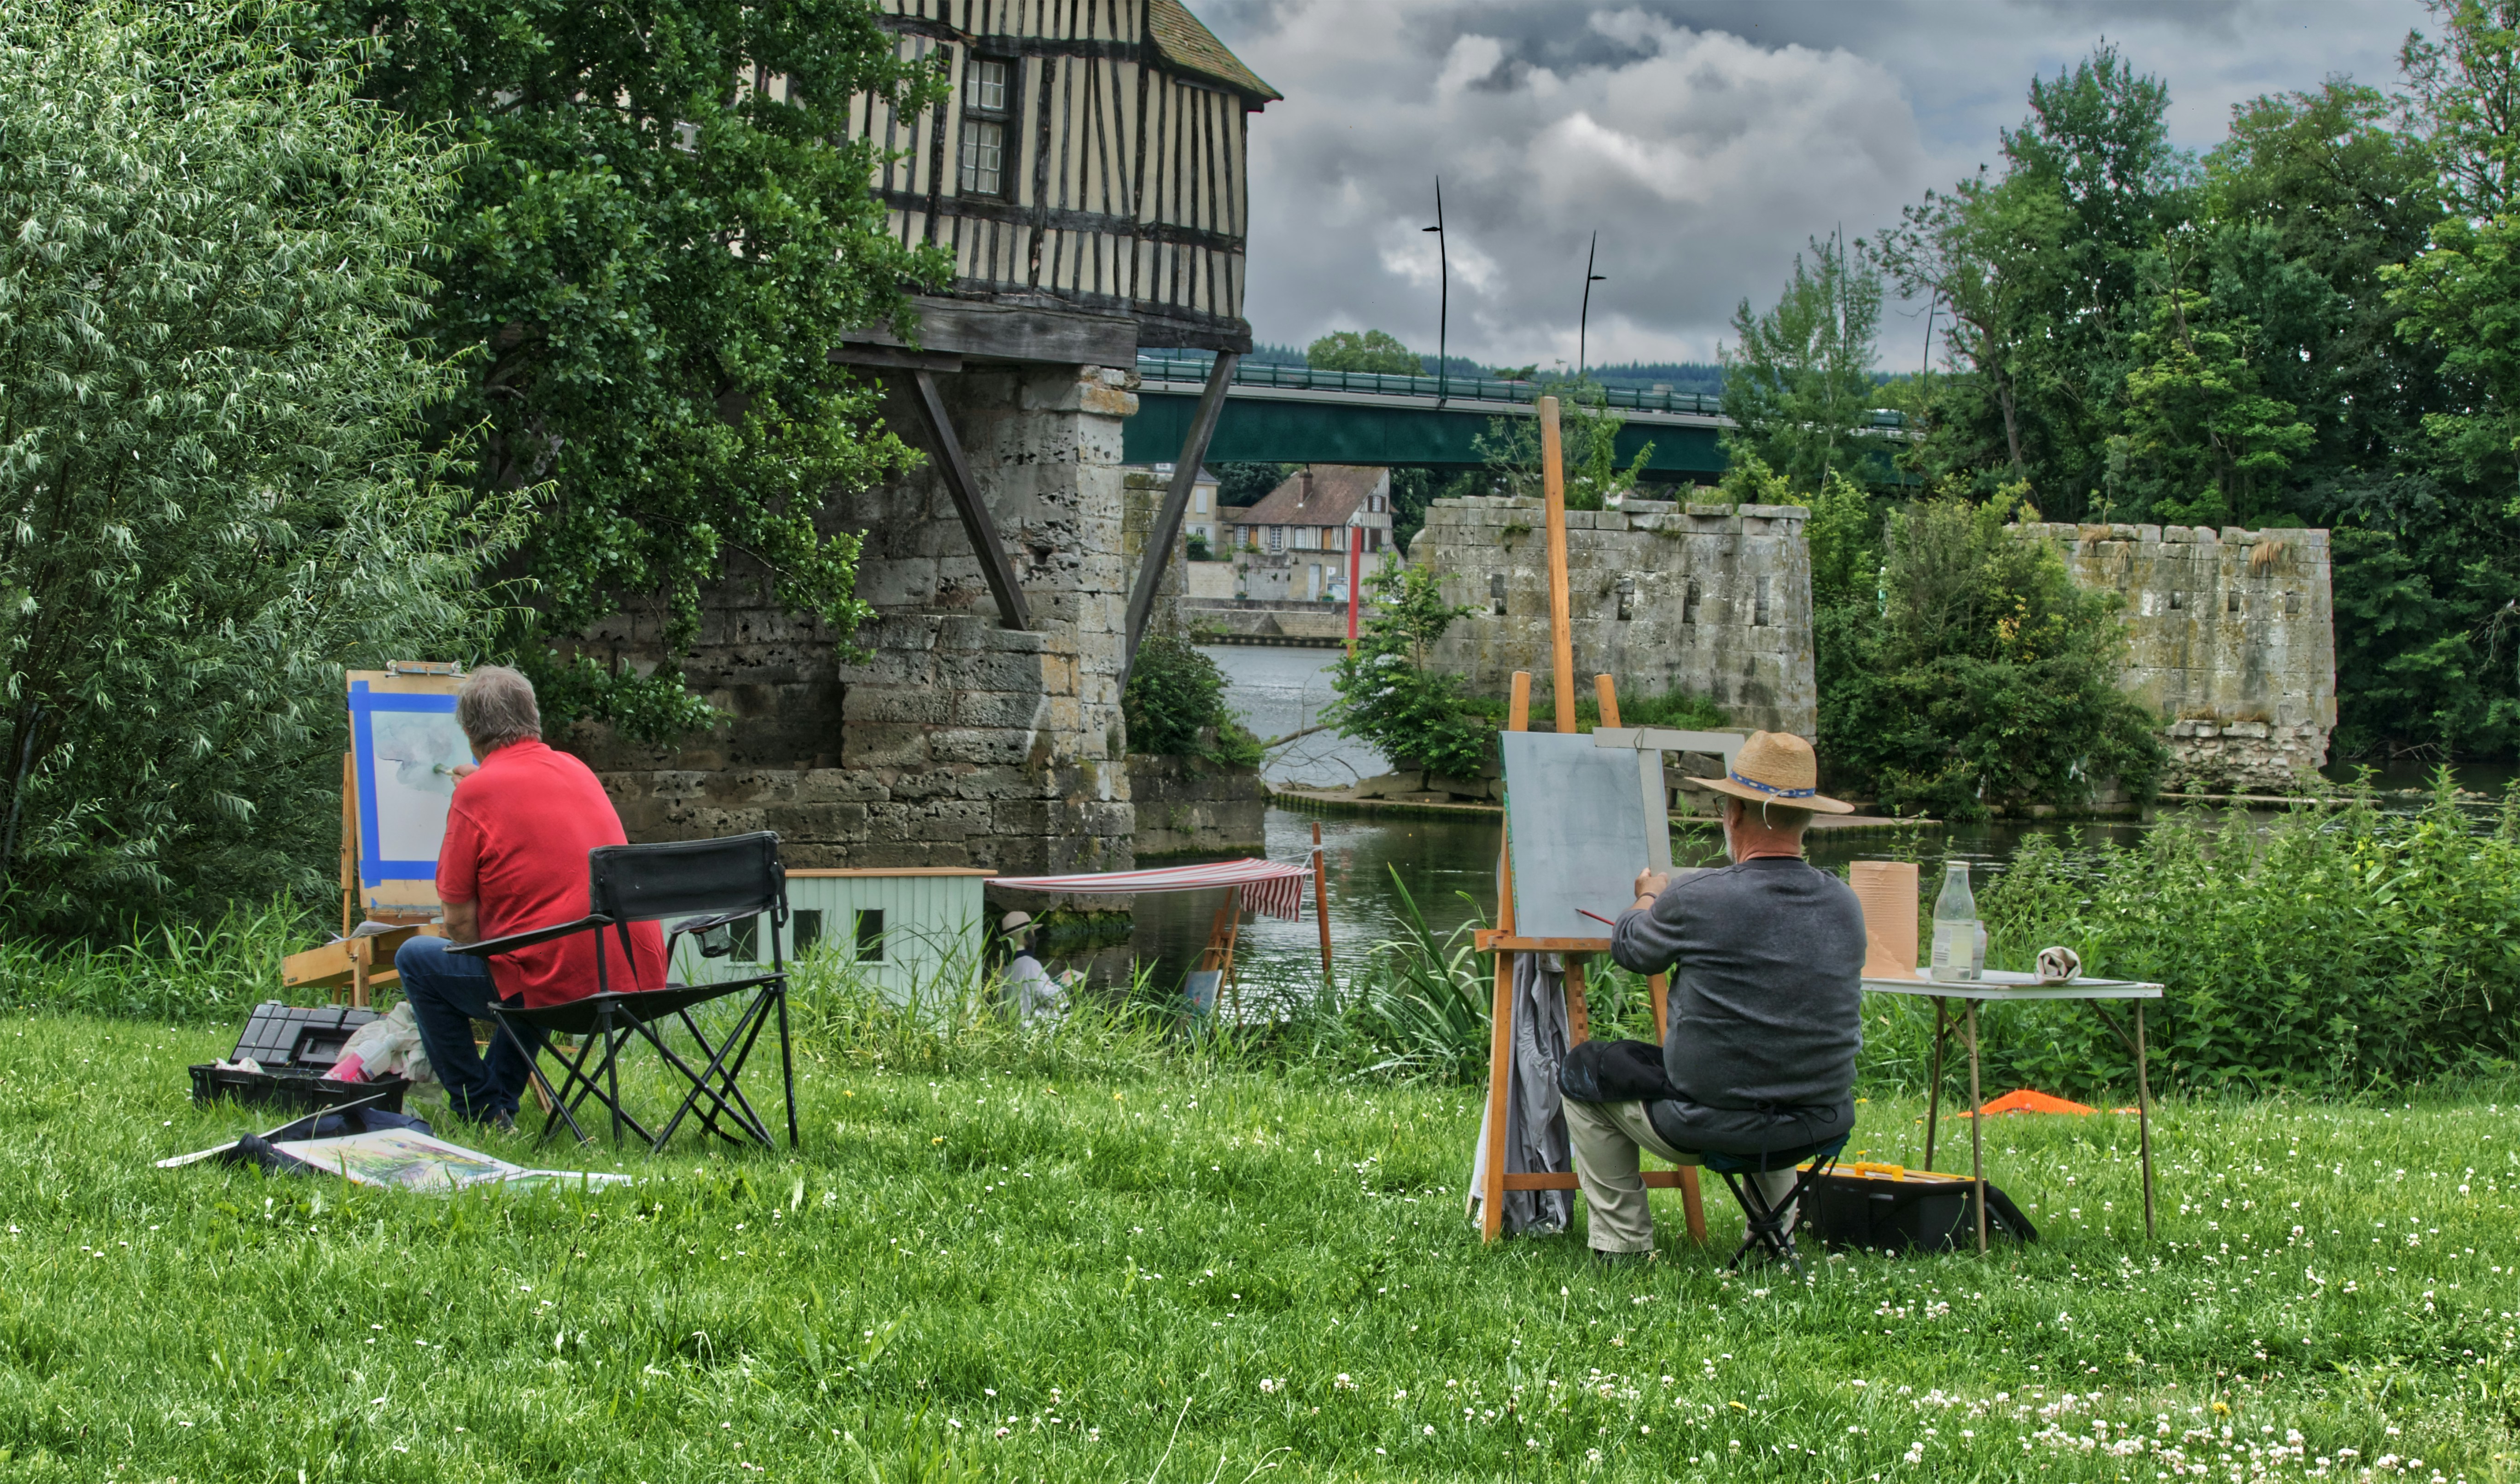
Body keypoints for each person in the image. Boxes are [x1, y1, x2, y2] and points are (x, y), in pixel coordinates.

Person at [1561, 730, 1866, 1262]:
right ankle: (1773, 1242)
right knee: (1773, 1066)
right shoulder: (1845, 902)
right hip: (1819, 1122)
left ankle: (1621, 1244)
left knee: (1583, 1071)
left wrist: (1647, 896)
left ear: (1734, 812)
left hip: (1708, 1122)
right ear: (1807, 819)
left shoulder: (1698, 896)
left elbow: (1632, 948)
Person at [394, 666, 666, 1129]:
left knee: (417, 959)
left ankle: (481, 1110)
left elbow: (458, 925)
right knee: (533, 948)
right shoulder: (577, 769)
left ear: (470, 734)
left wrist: (475, 790)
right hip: (636, 979)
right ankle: (501, 1101)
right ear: (534, 718)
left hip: (560, 988)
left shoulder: (474, 794)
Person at [996, 910, 1065, 1023]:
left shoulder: (1004, 966)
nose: (1034, 935)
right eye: (1032, 931)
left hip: (1013, 1025)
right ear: (1025, 934)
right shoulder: (1030, 964)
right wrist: (1061, 988)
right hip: (1034, 1027)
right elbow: (1050, 998)